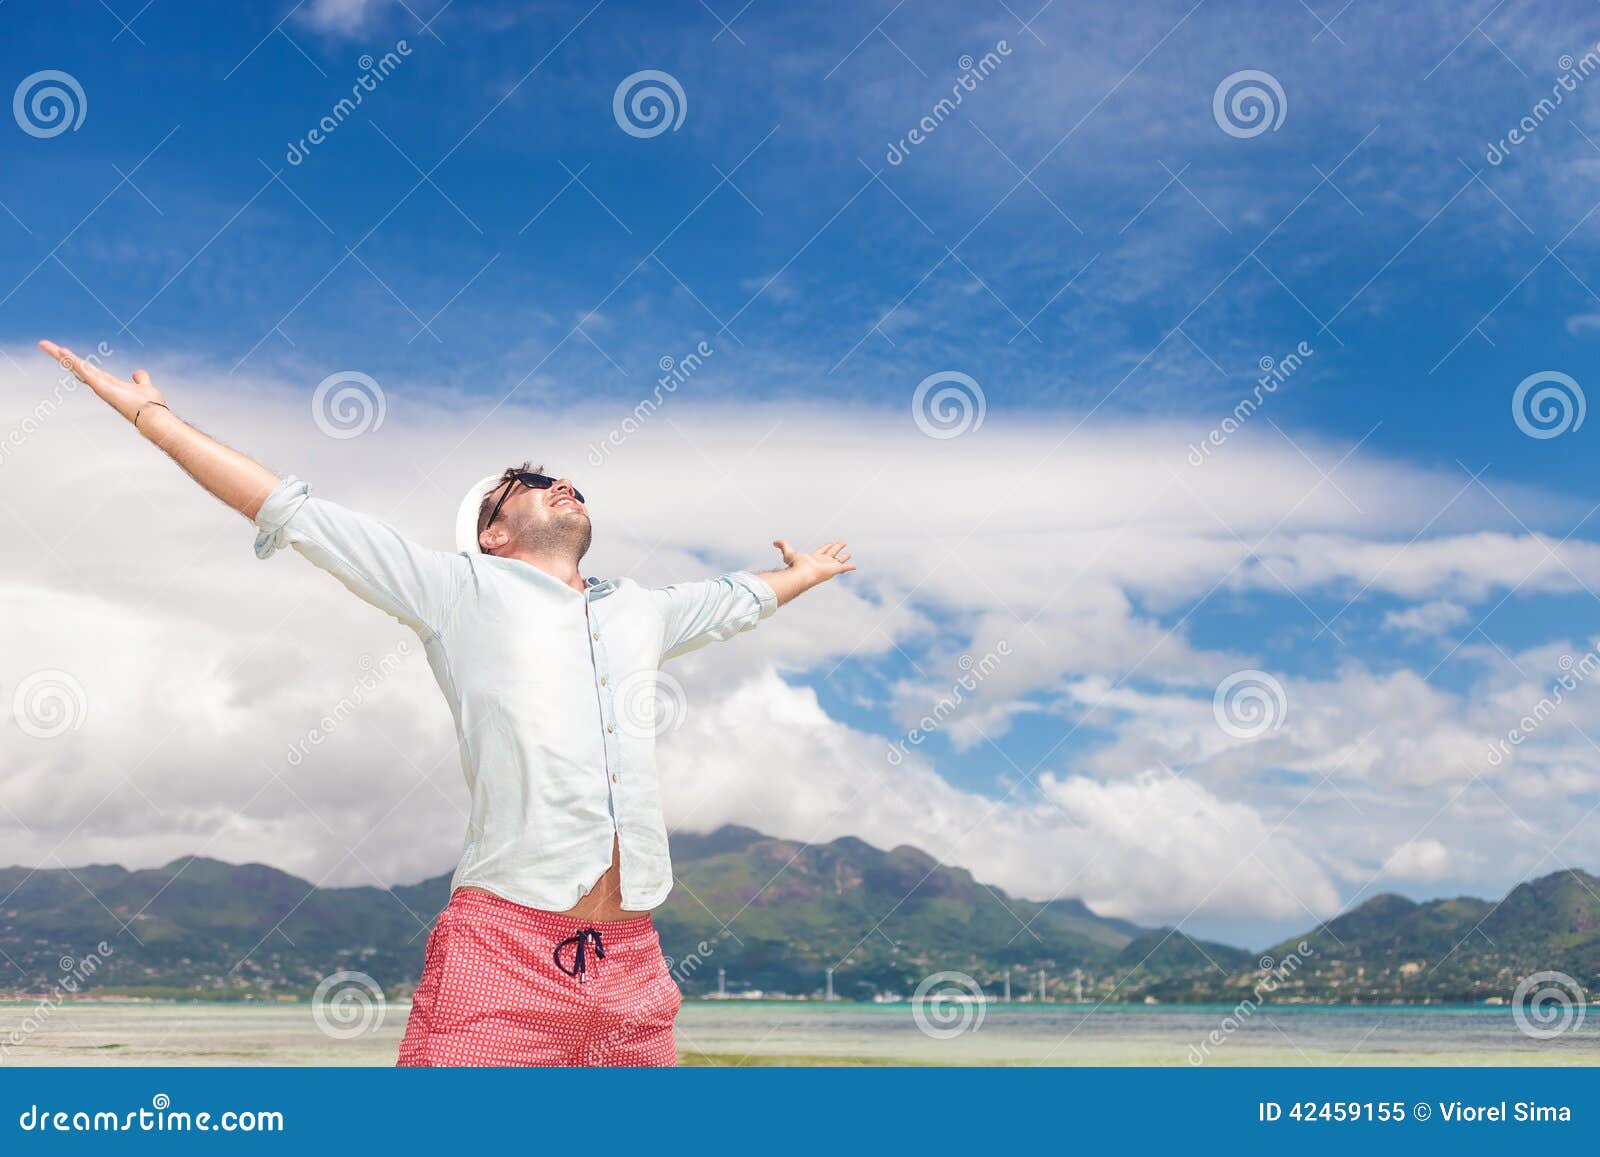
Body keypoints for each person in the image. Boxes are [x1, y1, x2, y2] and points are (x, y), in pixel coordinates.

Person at [37, 339, 856, 1066]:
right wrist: (155, 419)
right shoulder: (453, 587)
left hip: (634, 964)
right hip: (503, 954)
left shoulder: (641, 608)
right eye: (529, 483)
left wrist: (804, 575)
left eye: (563, 477)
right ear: (491, 533)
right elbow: (293, 511)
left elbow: (734, 599)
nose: (560, 483)